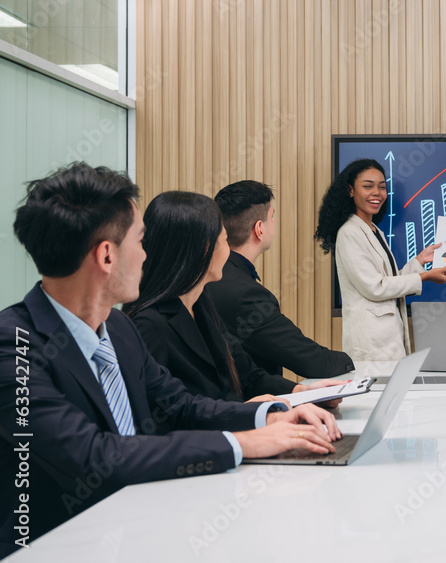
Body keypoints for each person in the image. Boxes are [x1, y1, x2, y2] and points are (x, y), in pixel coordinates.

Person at [0, 164, 341, 555]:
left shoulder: (119, 329)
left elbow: (180, 405)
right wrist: (245, 443)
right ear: (107, 256)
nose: (147, 255)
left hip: (146, 524)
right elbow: (95, 456)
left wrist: (271, 417)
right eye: (140, 241)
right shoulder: (14, 347)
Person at [126, 191, 347, 405]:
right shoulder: (148, 325)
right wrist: (248, 413)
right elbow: (172, 414)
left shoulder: (201, 303)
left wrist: (303, 392)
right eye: (224, 239)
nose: (228, 250)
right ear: (203, 250)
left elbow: (249, 376)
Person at [205, 180, 354, 379]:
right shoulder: (246, 295)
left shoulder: (213, 277)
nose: (273, 222)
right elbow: (313, 362)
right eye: (272, 217)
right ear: (259, 229)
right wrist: (357, 362)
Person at [315, 158, 446, 361]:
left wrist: (419, 261)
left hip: (386, 341)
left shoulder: (374, 231)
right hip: (371, 344)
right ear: (350, 191)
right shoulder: (349, 233)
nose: (377, 193)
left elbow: (389, 281)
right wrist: (425, 276)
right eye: (367, 186)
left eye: (382, 187)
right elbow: (376, 287)